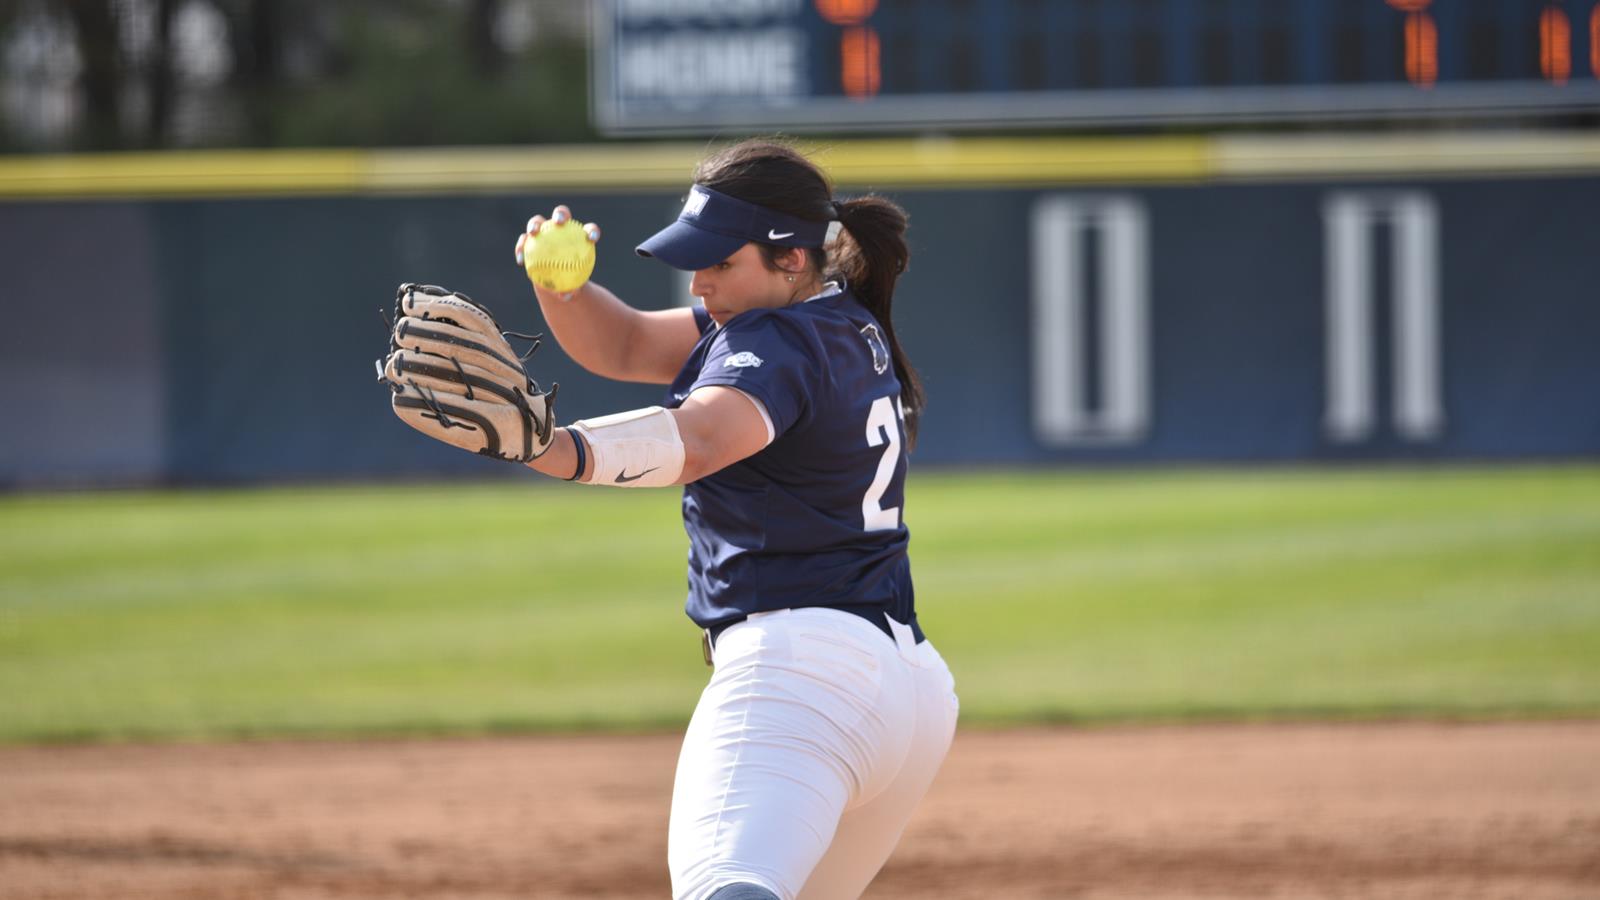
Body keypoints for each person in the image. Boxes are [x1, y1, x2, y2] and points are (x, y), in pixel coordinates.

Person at [513, 139, 958, 900]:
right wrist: (561, 289)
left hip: (802, 673)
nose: (701, 281)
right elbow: (626, 343)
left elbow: (702, 439)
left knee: (725, 886)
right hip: (906, 689)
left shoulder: (773, 339)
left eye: (721, 261)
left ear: (791, 257)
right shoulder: (834, 317)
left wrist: (553, 448)